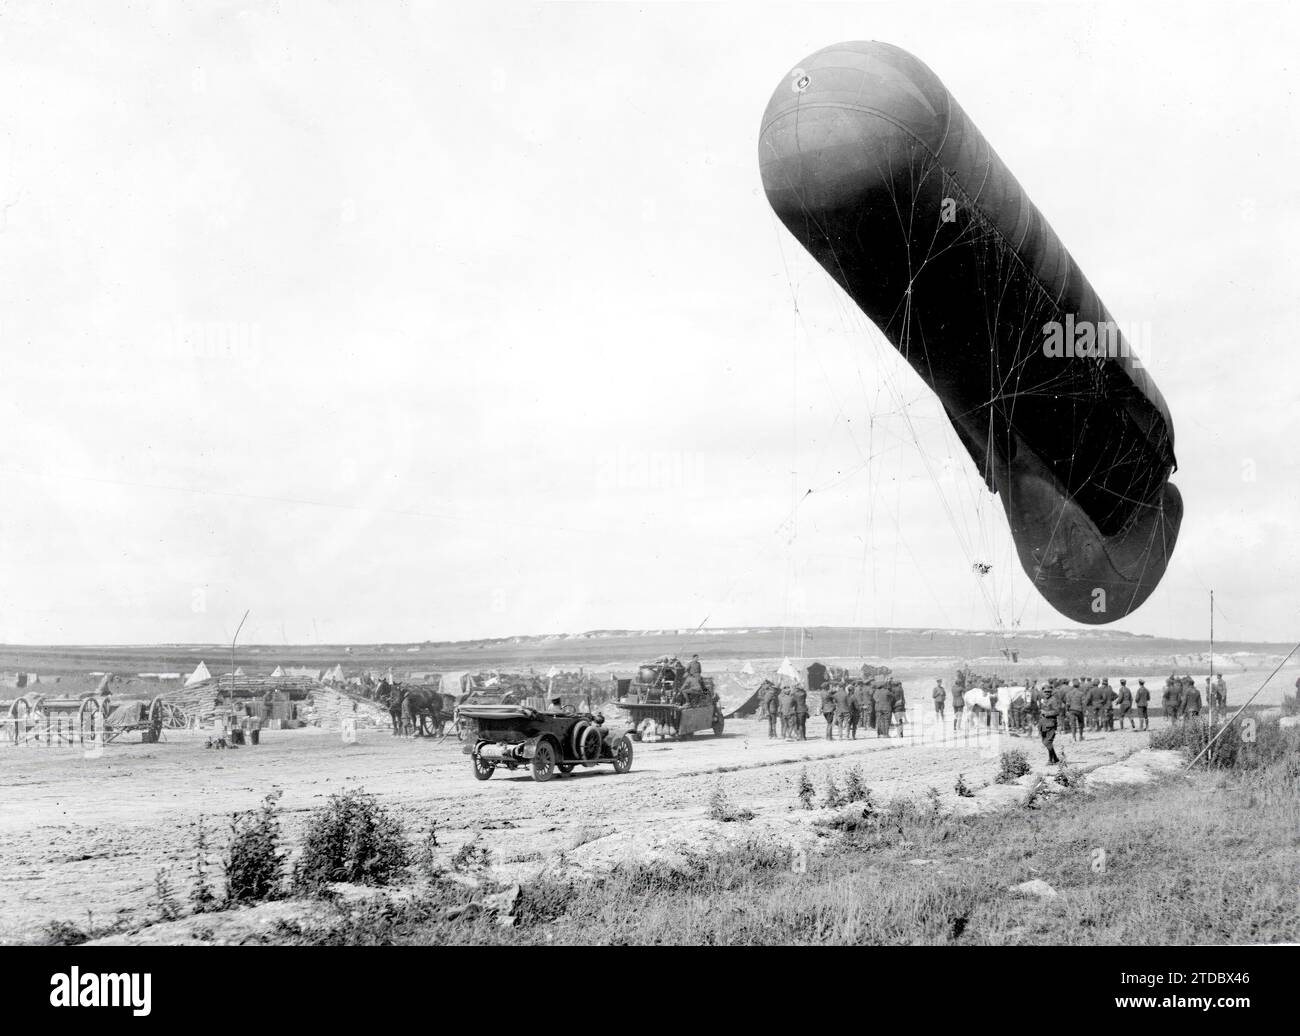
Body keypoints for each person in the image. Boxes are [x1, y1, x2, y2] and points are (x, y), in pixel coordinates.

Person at [1038, 684, 1062, 765]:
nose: (1047, 693)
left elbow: (1057, 711)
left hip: (1050, 724)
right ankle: (1055, 759)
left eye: (1048, 692)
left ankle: (1050, 760)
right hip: (1043, 724)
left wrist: (1047, 713)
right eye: (1045, 692)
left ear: (1051, 692)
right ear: (1043, 692)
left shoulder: (1053, 700)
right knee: (1045, 742)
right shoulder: (1043, 699)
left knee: (1048, 742)